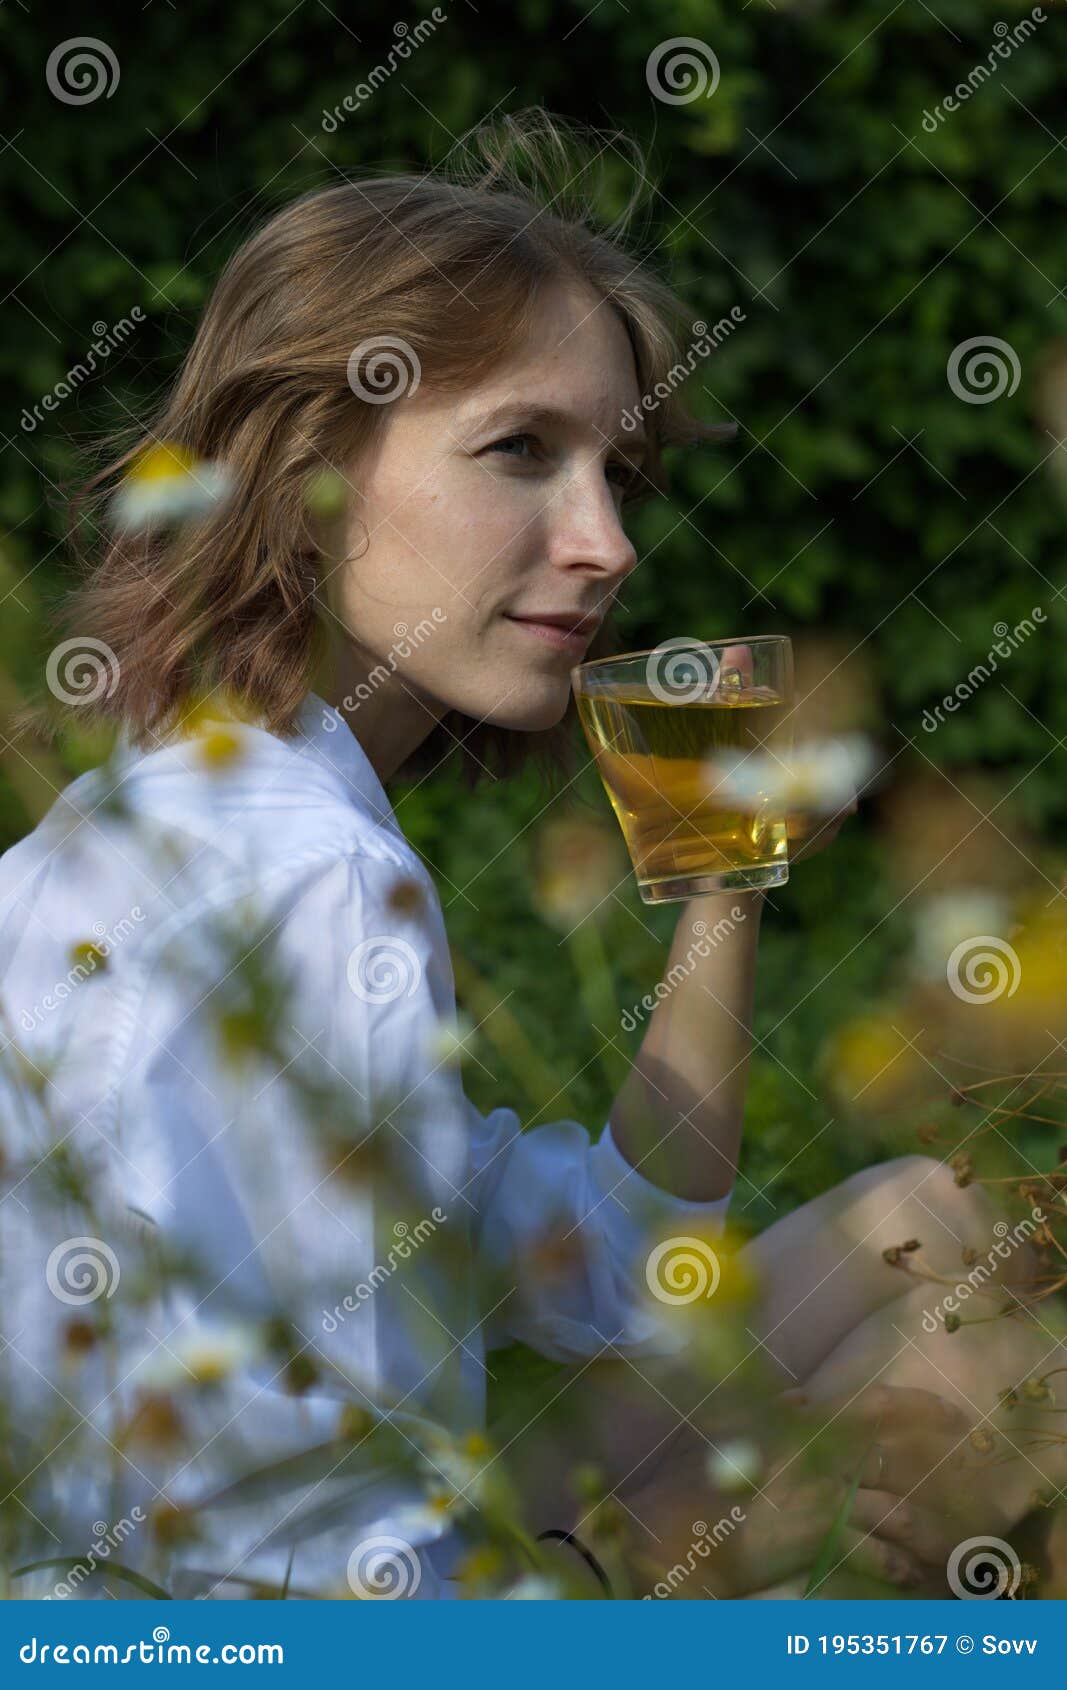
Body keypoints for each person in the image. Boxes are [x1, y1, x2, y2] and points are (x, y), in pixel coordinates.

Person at [1, 109, 1060, 1601]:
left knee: (936, 1218)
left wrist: (719, 882)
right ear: (307, 469)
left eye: (617, 471)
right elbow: (298, 1578)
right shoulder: (309, 879)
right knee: (1002, 1376)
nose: (611, 539)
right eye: (522, 451)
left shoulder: (136, 827)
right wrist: (678, 1542)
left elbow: (622, 1265)